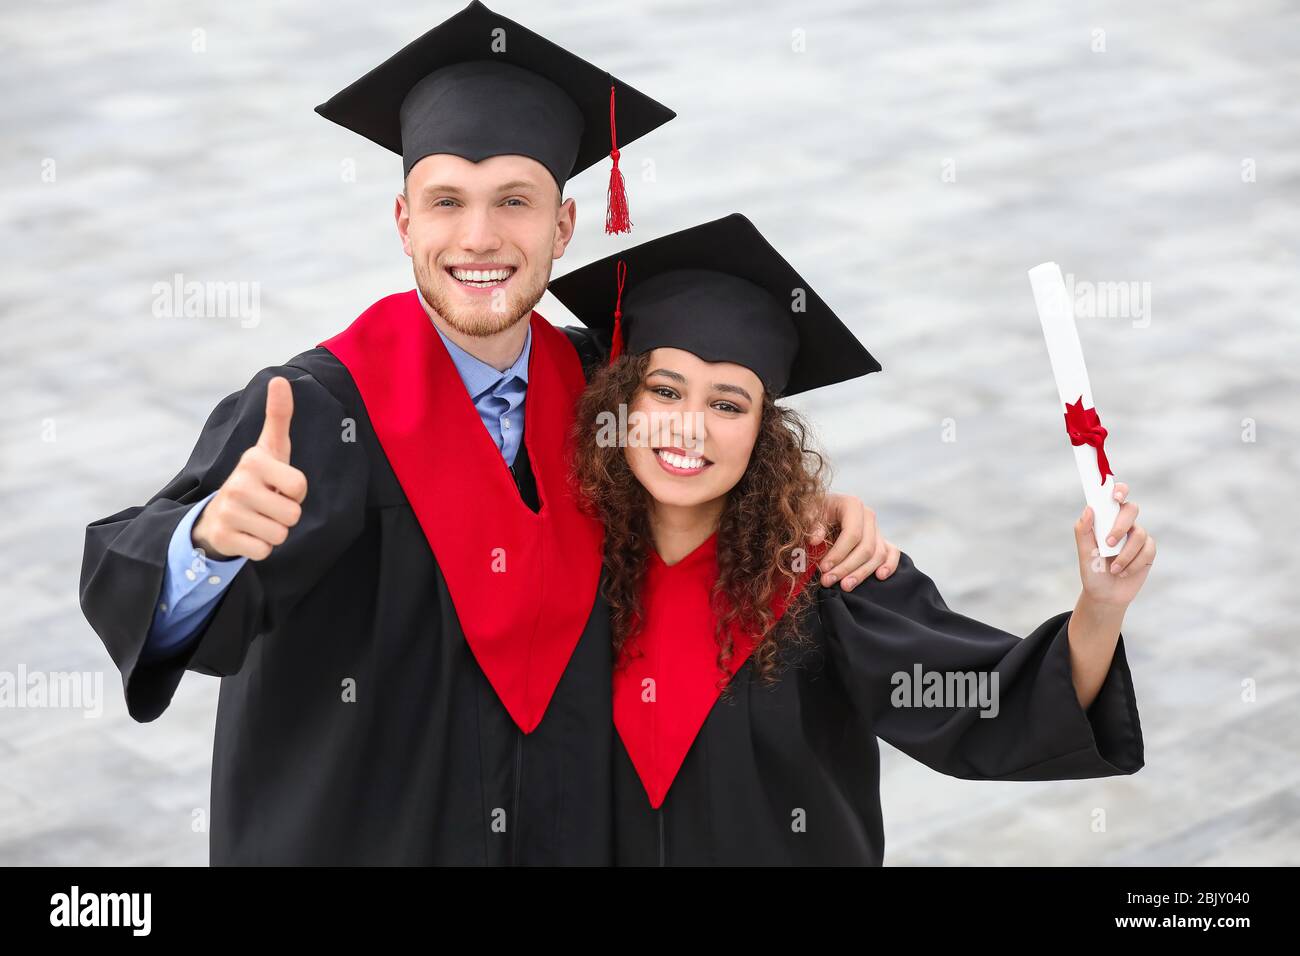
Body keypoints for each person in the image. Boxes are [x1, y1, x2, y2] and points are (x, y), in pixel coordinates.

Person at [78, 5, 896, 865]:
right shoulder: (317, 409)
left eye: (514, 200)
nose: (479, 238)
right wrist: (205, 543)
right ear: (404, 223)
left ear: (563, 226)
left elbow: (707, 456)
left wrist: (814, 507)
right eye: (446, 202)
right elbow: (130, 572)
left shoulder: (599, 393)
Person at [552, 213, 1152, 865]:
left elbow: (990, 701)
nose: (690, 426)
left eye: (728, 405)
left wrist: (1103, 604)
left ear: (762, 434)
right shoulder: (562, 557)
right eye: (665, 391)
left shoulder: (829, 580)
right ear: (621, 403)